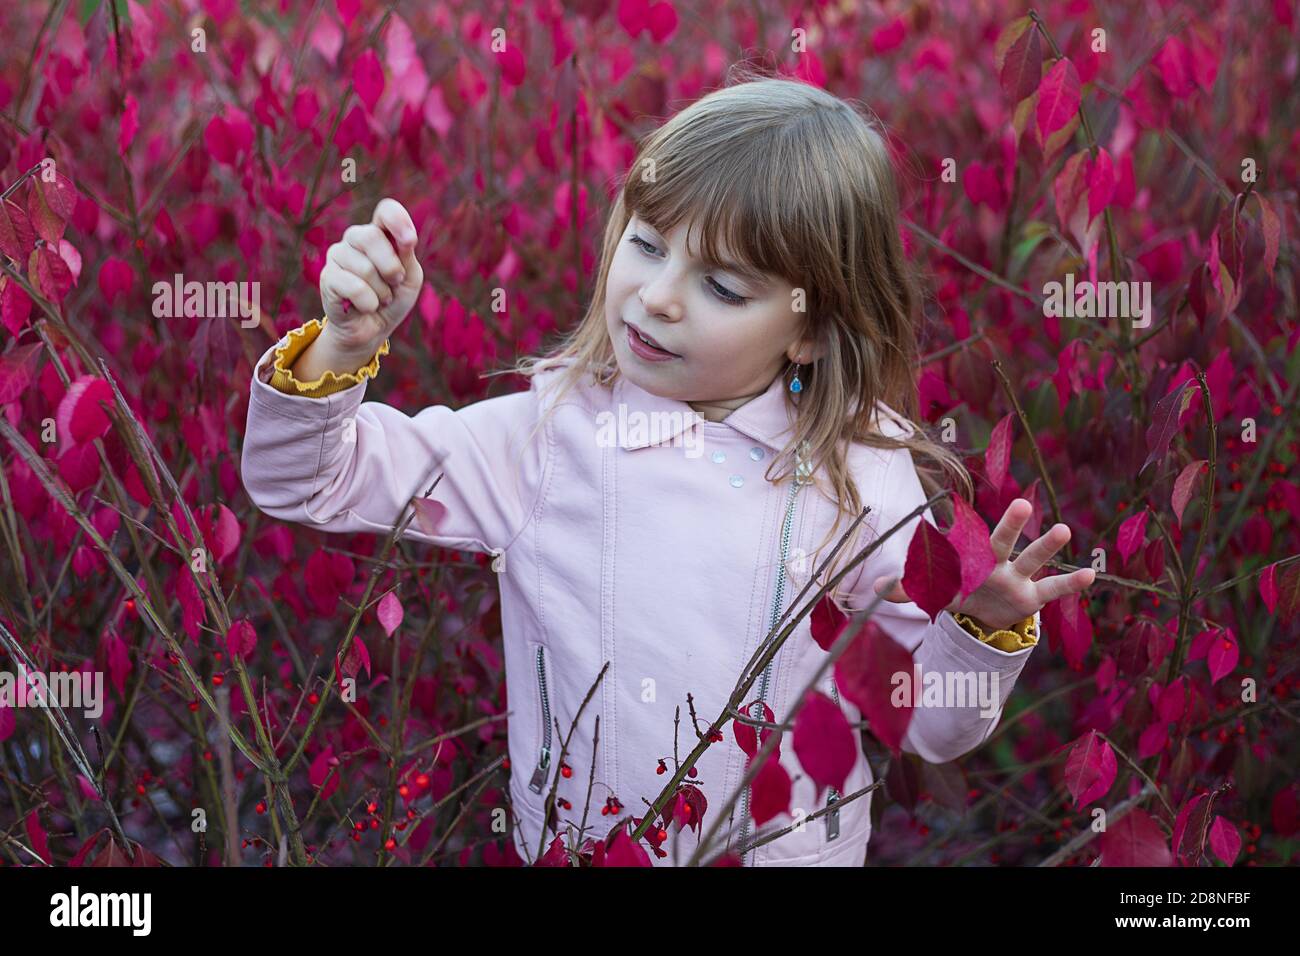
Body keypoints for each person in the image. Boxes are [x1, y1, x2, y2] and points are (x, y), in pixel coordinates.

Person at [240, 71, 1096, 867]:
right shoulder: (547, 440)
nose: (657, 296)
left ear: (808, 324)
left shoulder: (860, 470)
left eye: (723, 288)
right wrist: (343, 349)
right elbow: (307, 480)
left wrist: (979, 633)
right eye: (647, 244)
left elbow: (929, 725)